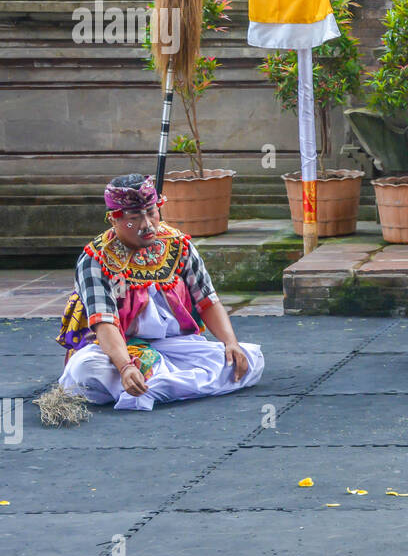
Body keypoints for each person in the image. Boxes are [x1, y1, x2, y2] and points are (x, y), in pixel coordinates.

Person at [55, 174, 264, 410]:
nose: (147, 225)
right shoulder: (95, 259)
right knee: (85, 368)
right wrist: (125, 366)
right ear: (114, 219)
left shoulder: (178, 245)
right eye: (134, 218)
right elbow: (104, 321)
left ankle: (147, 389)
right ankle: (155, 384)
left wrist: (230, 342)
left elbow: (207, 299)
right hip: (114, 350)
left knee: (250, 358)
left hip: (174, 345)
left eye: (152, 213)